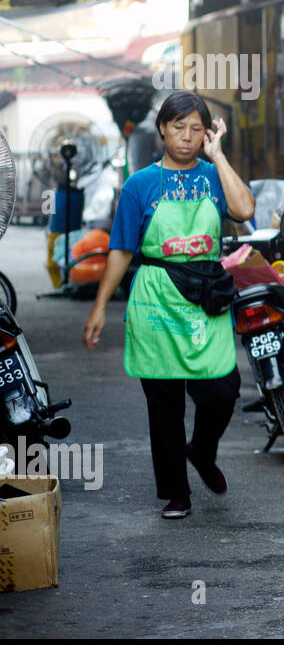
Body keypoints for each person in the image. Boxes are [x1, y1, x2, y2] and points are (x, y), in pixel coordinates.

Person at [84, 91, 255, 519]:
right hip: (156, 297)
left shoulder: (215, 174)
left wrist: (219, 156)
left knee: (222, 390)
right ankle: (176, 493)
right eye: (179, 127)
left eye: (197, 129)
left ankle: (201, 450)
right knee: (164, 403)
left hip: (205, 296)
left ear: (207, 134)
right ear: (162, 128)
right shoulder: (139, 185)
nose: (187, 137)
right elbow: (121, 250)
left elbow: (244, 208)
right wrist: (100, 306)